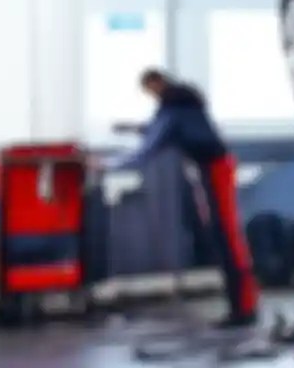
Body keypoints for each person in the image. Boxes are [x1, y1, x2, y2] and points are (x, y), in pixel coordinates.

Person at [109, 68, 261, 329]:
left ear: (156, 83)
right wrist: (133, 129)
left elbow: (152, 145)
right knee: (225, 239)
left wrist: (109, 165)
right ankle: (242, 307)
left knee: (229, 240)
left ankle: (244, 310)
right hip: (211, 170)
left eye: (148, 88)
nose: (149, 94)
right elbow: (160, 131)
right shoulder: (180, 103)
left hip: (215, 170)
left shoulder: (173, 107)